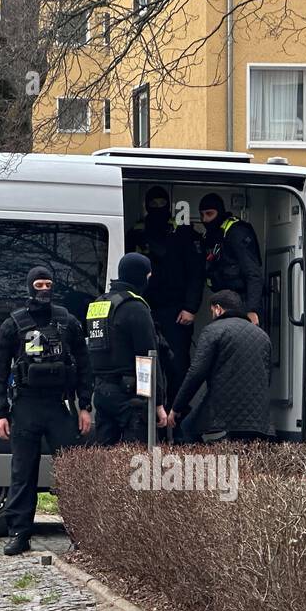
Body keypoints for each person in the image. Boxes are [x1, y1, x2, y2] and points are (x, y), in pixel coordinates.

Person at [0, 265, 93, 556]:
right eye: (39, 284)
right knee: (22, 474)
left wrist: (85, 406)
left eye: (48, 283)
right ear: (29, 287)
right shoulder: (14, 323)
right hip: (25, 406)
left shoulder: (67, 321)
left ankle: (79, 532)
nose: (44, 289)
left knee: (72, 471)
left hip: (59, 406)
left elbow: (85, 366)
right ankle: (19, 533)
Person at [168, 289, 275, 443]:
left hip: (223, 410)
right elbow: (267, 377)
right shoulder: (262, 336)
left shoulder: (213, 330)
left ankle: (202, 466)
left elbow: (196, 373)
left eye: (212, 311)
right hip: (259, 417)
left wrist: (176, 408)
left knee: (187, 428)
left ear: (218, 309)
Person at [127, 185, 204, 398]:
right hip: (143, 308)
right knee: (143, 365)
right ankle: (147, 420)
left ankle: (176, 418)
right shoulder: (136, 232)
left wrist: (190, 307)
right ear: (146, 206)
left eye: (162, 204)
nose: (158, 208)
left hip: (176, 310)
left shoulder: (182, 233)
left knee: (178, 366)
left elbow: (196, 273)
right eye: (154, 204)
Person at [85, 252, 169, 445]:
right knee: (137, 461)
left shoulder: (98, 304)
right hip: (130, 396)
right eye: (148, 276)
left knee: (107, 460)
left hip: (102, 393)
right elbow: (148, 358)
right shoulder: (135, 307)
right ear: (140, 276)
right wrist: (157, 402)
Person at [199, 193, 263, 325]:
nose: (204, 219)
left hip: (242, 301)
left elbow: (253, 273)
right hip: (223, 301)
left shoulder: (236, 232)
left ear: (220, 212)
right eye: (202, 215)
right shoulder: (211, 235)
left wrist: (252, 310)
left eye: (209, 214)